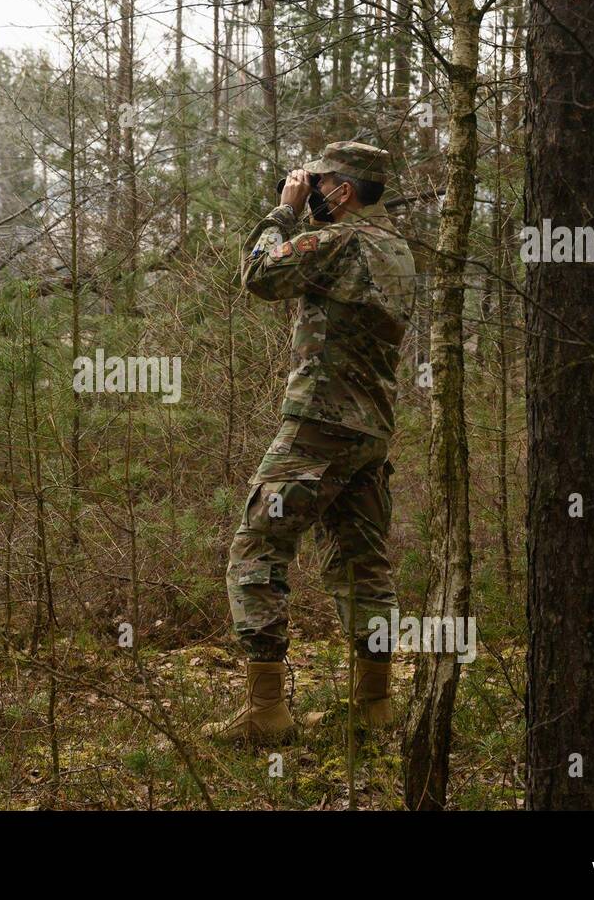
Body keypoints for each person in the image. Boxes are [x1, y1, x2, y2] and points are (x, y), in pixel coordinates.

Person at [205, 141, 418, 743]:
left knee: (257, 550)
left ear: (342, 192)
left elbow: (259, 274)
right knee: (362, 561)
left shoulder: (341, 240)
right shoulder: (398, 251)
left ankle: (266, 713)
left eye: (320, 182)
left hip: (319, 425)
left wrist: (284, 211)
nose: (311, 188)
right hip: (370, 431)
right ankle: (375, 704)